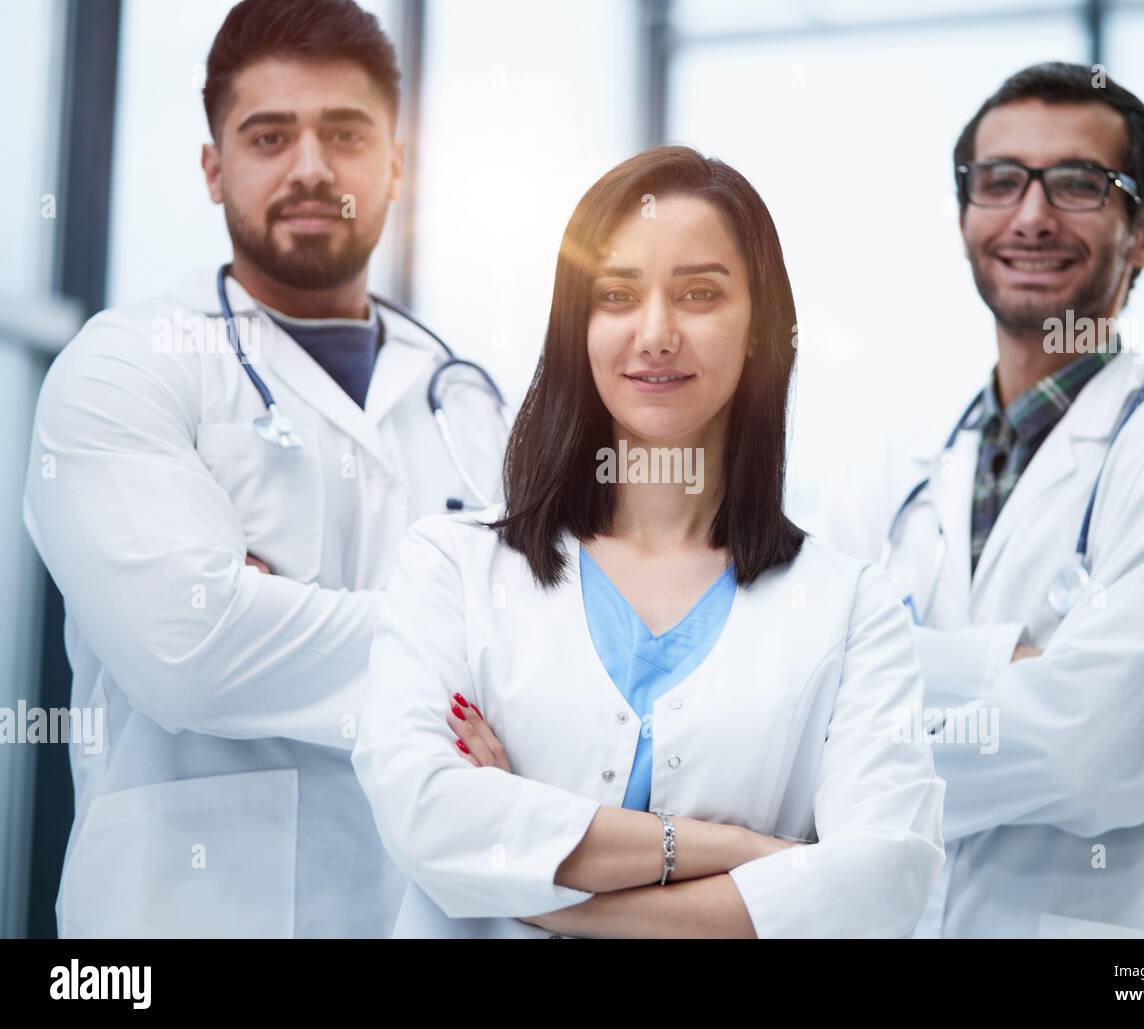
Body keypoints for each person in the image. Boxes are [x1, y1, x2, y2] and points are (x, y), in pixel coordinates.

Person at [352, 145, 945, 938]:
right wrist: (748, 853)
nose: (657, 333)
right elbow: (425, 815)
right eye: (618, 295)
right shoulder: (450, 567)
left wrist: (527, 878)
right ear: (577, 326)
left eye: (700, 293)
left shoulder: (849, 605)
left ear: (764, 329)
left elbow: (881, 884)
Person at [22, 0, 504, 938]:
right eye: (269, 134)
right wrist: (474, 634)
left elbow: (559, 666)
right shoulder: (126, 365)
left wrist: (274, 609)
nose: (312, 167)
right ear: (214, 168)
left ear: (397, 164)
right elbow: (193, 655)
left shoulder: (471, 403)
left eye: (347, 132)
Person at [817, 62, 1144, 938]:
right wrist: (1013, 664)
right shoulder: (887, 471)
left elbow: (1089, 750)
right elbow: (779, 719)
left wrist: (869, 682)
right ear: (963, 218)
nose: (1031, 215)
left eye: (1076, 185)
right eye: (1000, 182)